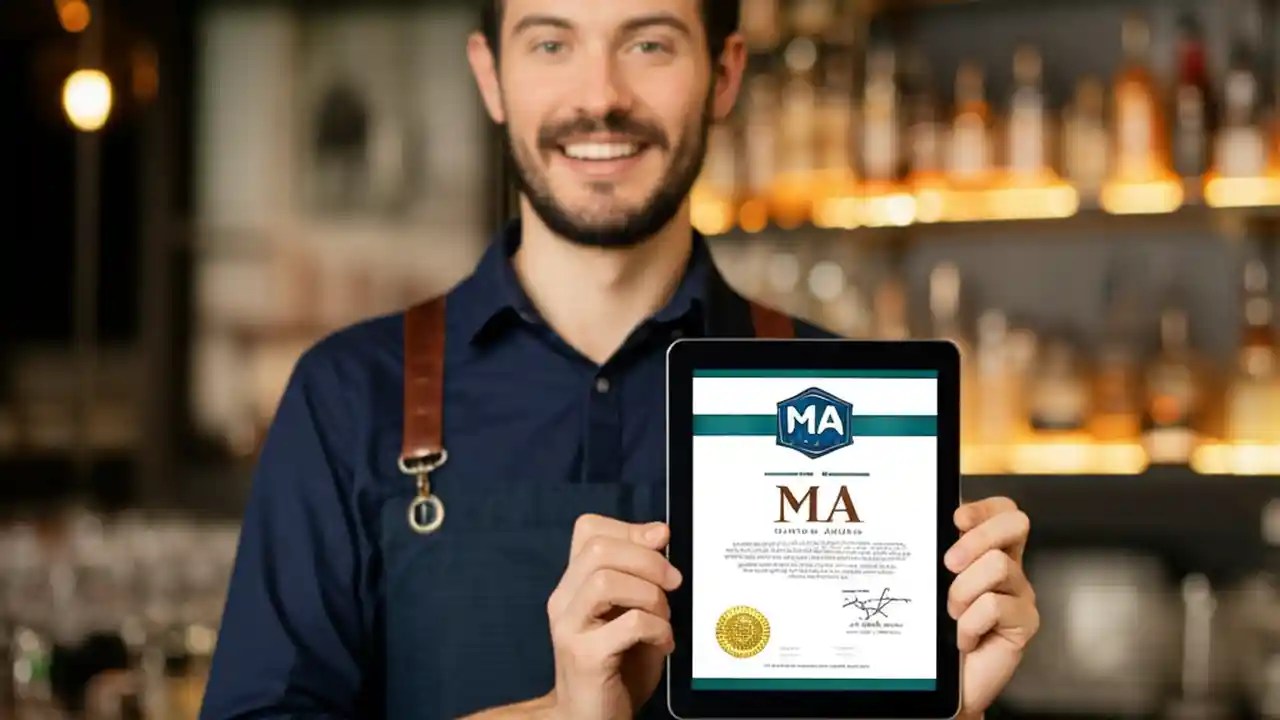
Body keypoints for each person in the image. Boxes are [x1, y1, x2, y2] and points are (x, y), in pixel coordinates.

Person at [199, 1, 1041, 719]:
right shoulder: (350, 394)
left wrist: (947, 710)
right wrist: (556, 714)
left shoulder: (859, 400)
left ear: (724, 75)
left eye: (648, 43)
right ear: (491, 76)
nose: (600, 96)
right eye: (550, 43)